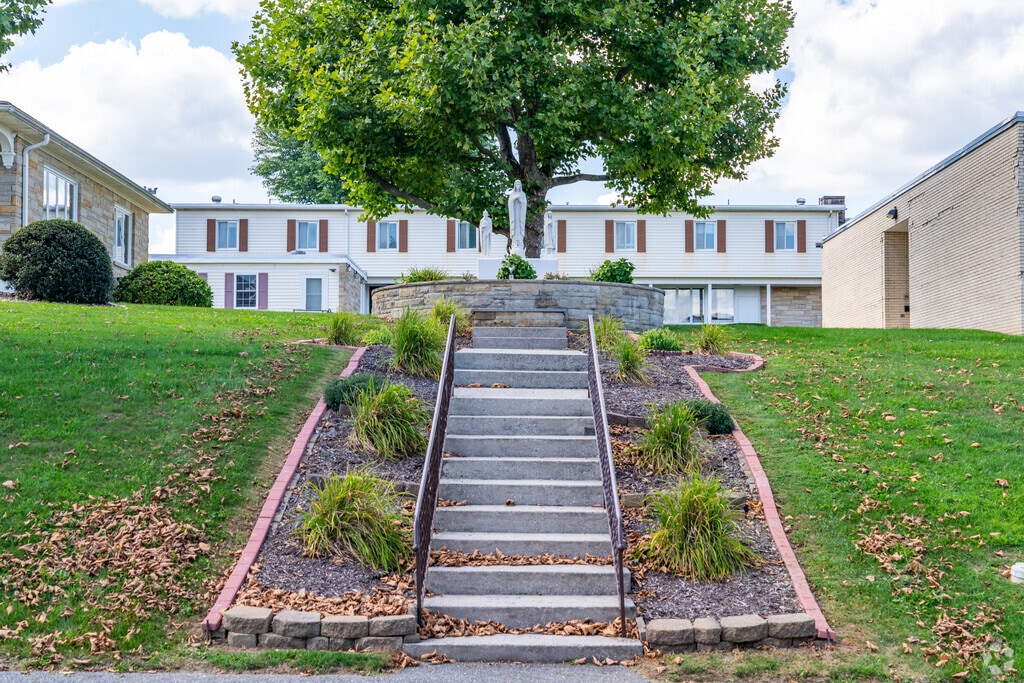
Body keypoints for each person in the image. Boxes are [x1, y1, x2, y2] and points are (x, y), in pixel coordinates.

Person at [507, 179, 526, 255]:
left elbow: (524, 203)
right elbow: (510, 203)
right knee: (515, 228)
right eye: (516, 183)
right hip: (514, 214)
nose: (518, 184)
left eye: (519, 183)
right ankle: (514, 244)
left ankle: (520, 244)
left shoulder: (523, 194)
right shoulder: (512, 194)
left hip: (520, 214)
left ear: (521, 185)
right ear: (514, 185)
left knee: (519, 228)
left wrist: (521, 201)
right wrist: (514, 199)